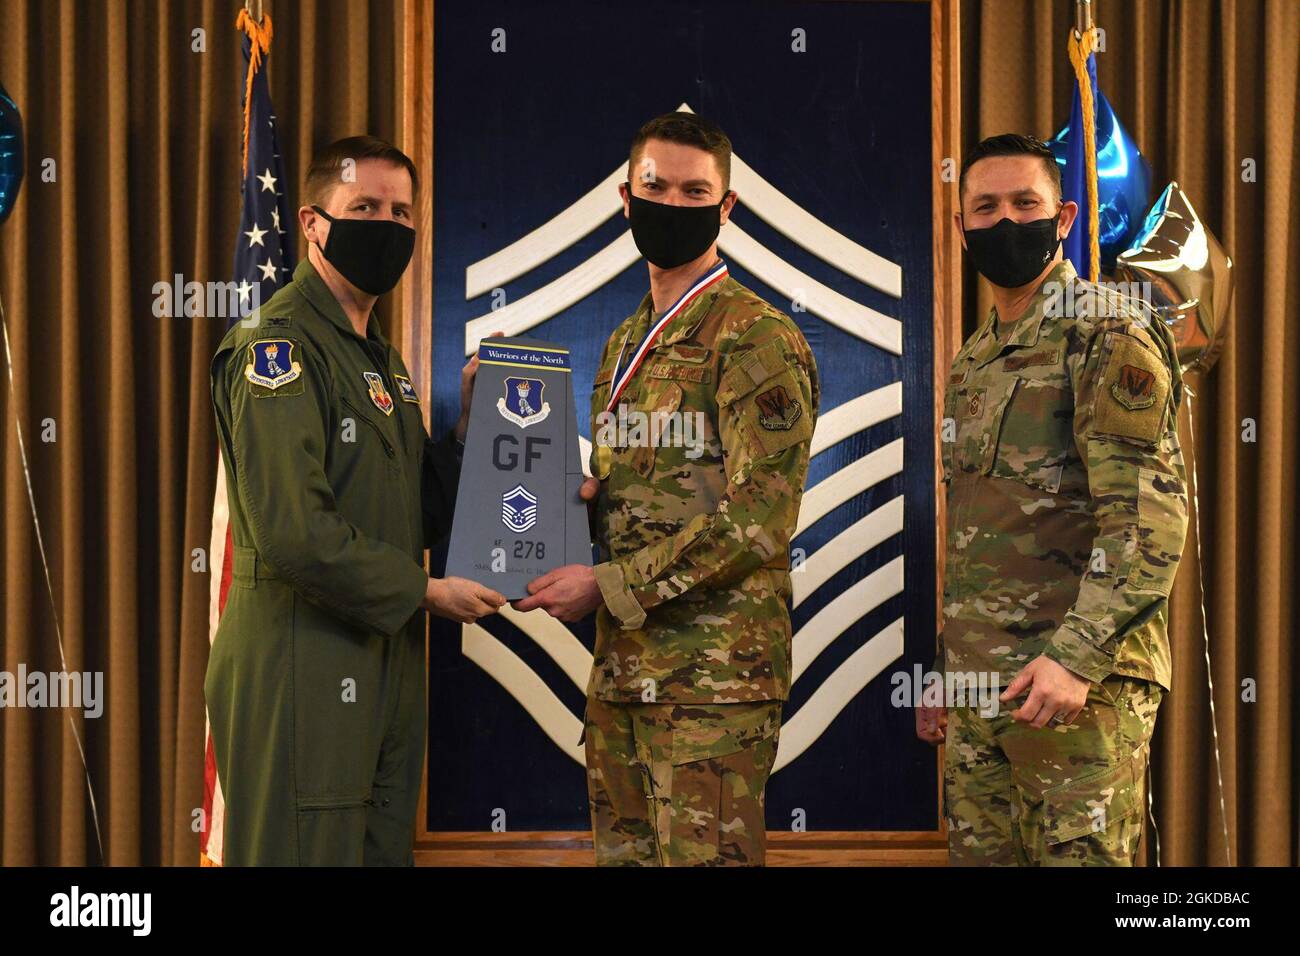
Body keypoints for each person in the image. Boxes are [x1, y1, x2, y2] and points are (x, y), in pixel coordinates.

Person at [515, 112, 820, 866]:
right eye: (656, 188)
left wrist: (609, 582)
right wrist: (549, 500)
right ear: (626, 197)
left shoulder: (757, 338)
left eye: (695, 192)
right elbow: (637, 499)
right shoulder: (624, 341)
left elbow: (760, 518)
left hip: (710, 687)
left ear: (726, 208)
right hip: (624, 676)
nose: (673, 206)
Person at [207, 135, 506, 865]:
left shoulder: (378, 357)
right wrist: (425, 592)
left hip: (380, 661)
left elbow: (409, 513)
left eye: (402, 212)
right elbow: (295, 534)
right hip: (301, 666)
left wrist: (468, 428)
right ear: (312, 221)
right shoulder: (276, 347)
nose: (387, 225)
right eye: (364, 206)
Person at [917, 133, 1188, 866]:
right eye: (986, 207)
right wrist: (950, 670)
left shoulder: (1106, 329)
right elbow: (979, 533)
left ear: (1064, 217)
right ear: (961, 227)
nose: (1006, 222)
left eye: (1025, 204)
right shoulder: (975, 357)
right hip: (985, 693)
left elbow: (1147, 521)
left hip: (1078, 692)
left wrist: (1074, 658)